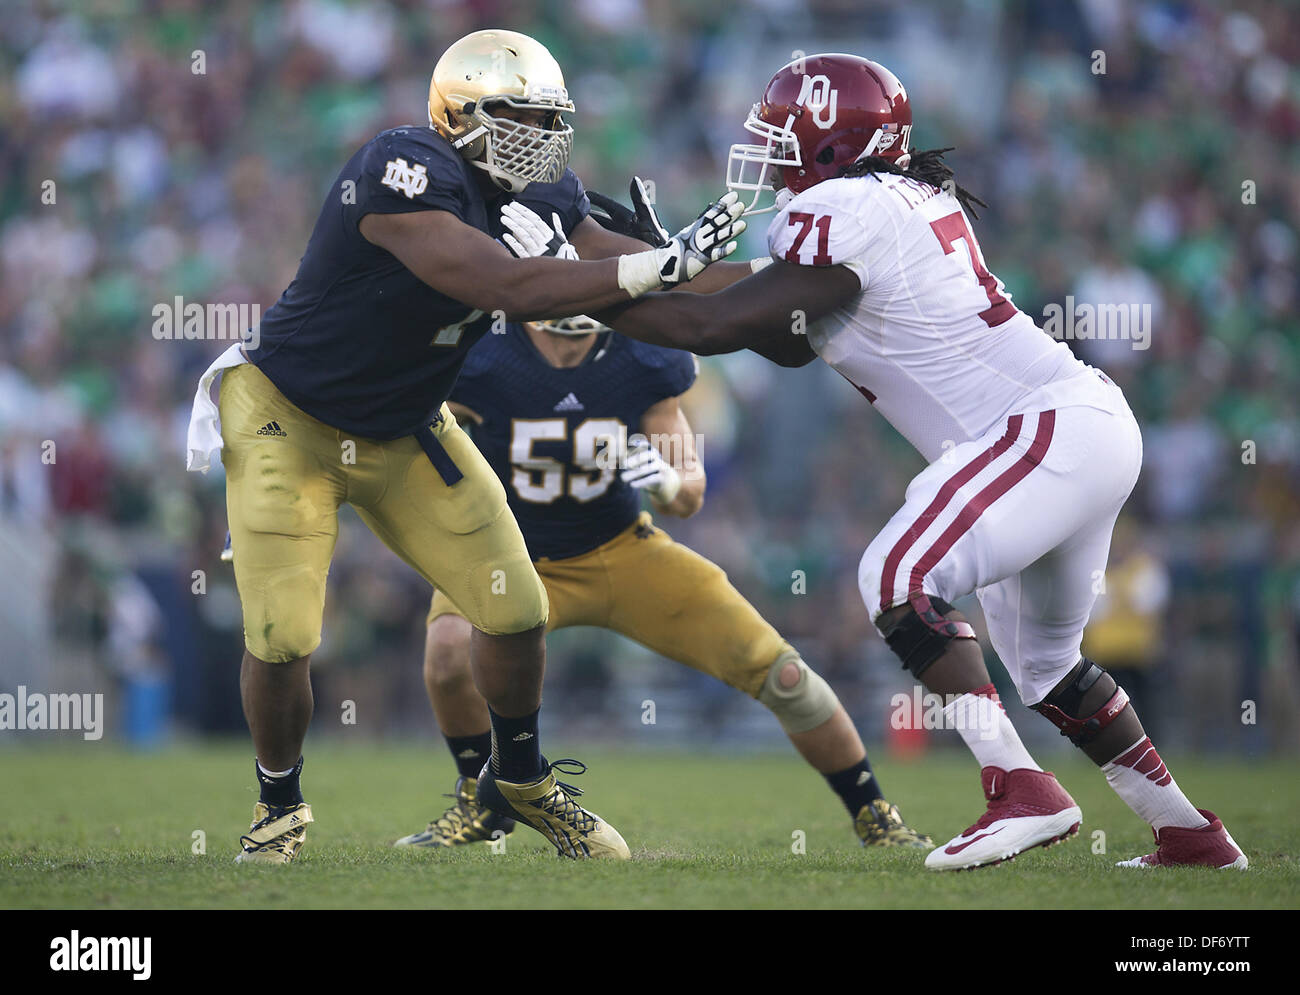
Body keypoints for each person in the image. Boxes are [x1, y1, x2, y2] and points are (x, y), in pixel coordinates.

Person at [517, 53, 1246, 871]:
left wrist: (564, 282)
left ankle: (1022, 789)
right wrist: (588, 238)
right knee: (1046, 668)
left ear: (829, 143)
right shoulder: (886, 203)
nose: (768, 150)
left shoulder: (844, 209)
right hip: (1073, 431)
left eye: (781, 133)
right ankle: (1190, 833)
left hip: (1041, 430)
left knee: (895, 574)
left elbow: (711, 326)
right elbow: (763, 323)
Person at [184, 28, 744, 862]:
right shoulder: (401, 167)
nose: (542, 136)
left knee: (517, 610)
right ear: (463, 113)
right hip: (286, 418)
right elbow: (504, 284)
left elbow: (636, 273)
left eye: (550, 117)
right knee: (285, 634)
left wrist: (747, 277)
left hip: (405, 421)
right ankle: (279, 805)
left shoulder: (542, 191)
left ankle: (519, 778)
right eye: (519, 115)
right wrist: (653, 268)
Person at [392, 239, 930, 851]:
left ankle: (874, 814)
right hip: (509, 554)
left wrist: (668, 480)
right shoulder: (486, 352)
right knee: (445, 651)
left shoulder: (640, 353)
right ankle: (481, 806)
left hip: (620, 551)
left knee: (783, 676)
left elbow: (689, 492)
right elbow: (423, 431)